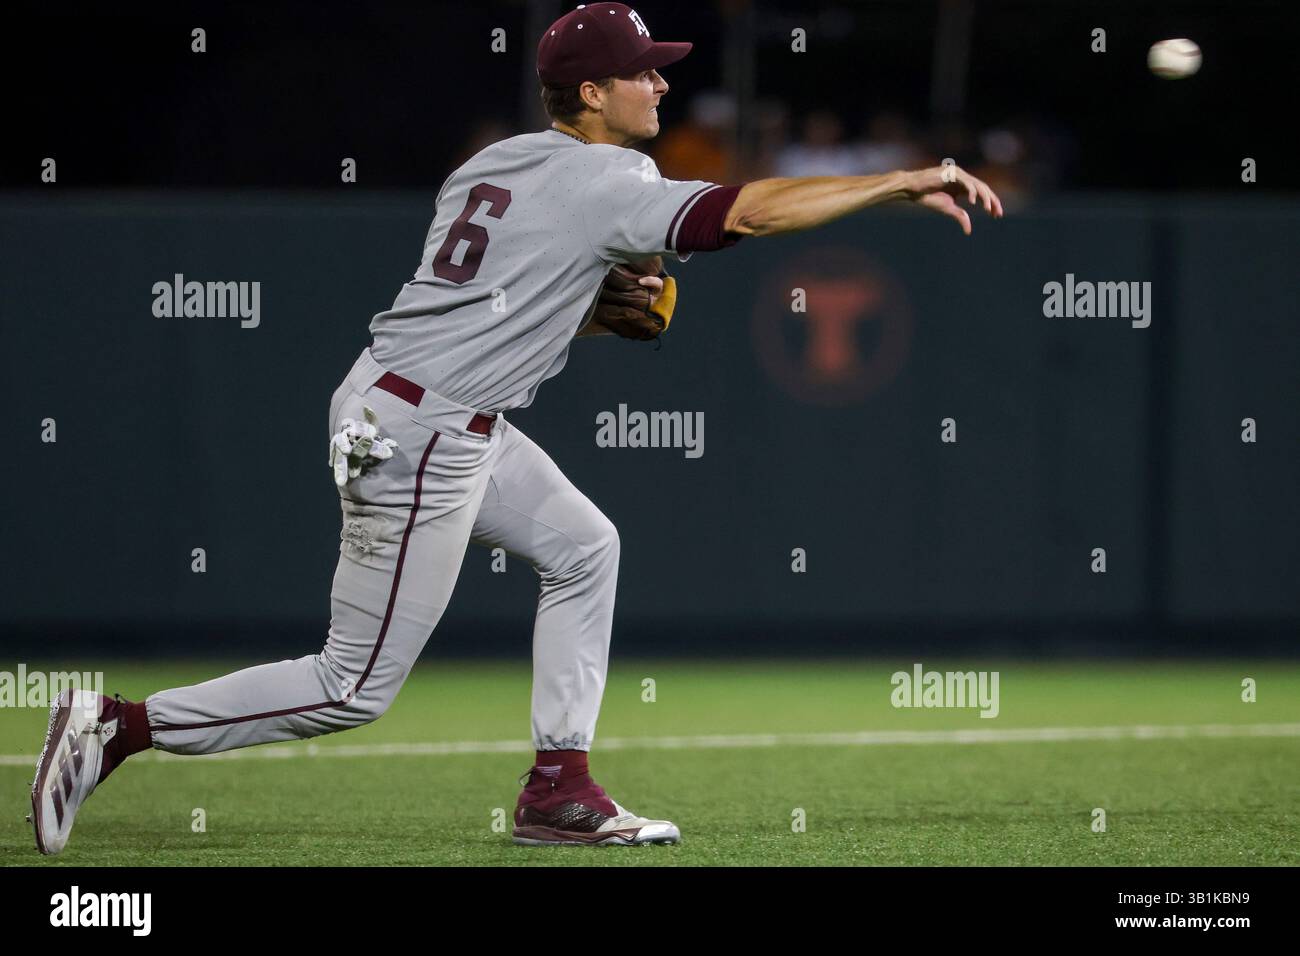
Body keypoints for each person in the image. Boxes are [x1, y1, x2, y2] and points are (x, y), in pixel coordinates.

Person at [31, 2, 1002, 854]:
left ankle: (559, 789)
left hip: (415, 401)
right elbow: (743, 214)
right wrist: (898, 181)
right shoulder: (605, 177)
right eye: (641, 70)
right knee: (351, 684)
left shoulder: (493, 163)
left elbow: (493, 298)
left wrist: (586, 307)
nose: (661, 82)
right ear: (588, 93)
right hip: (423, 433)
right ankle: (113, 726)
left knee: (585, 545)